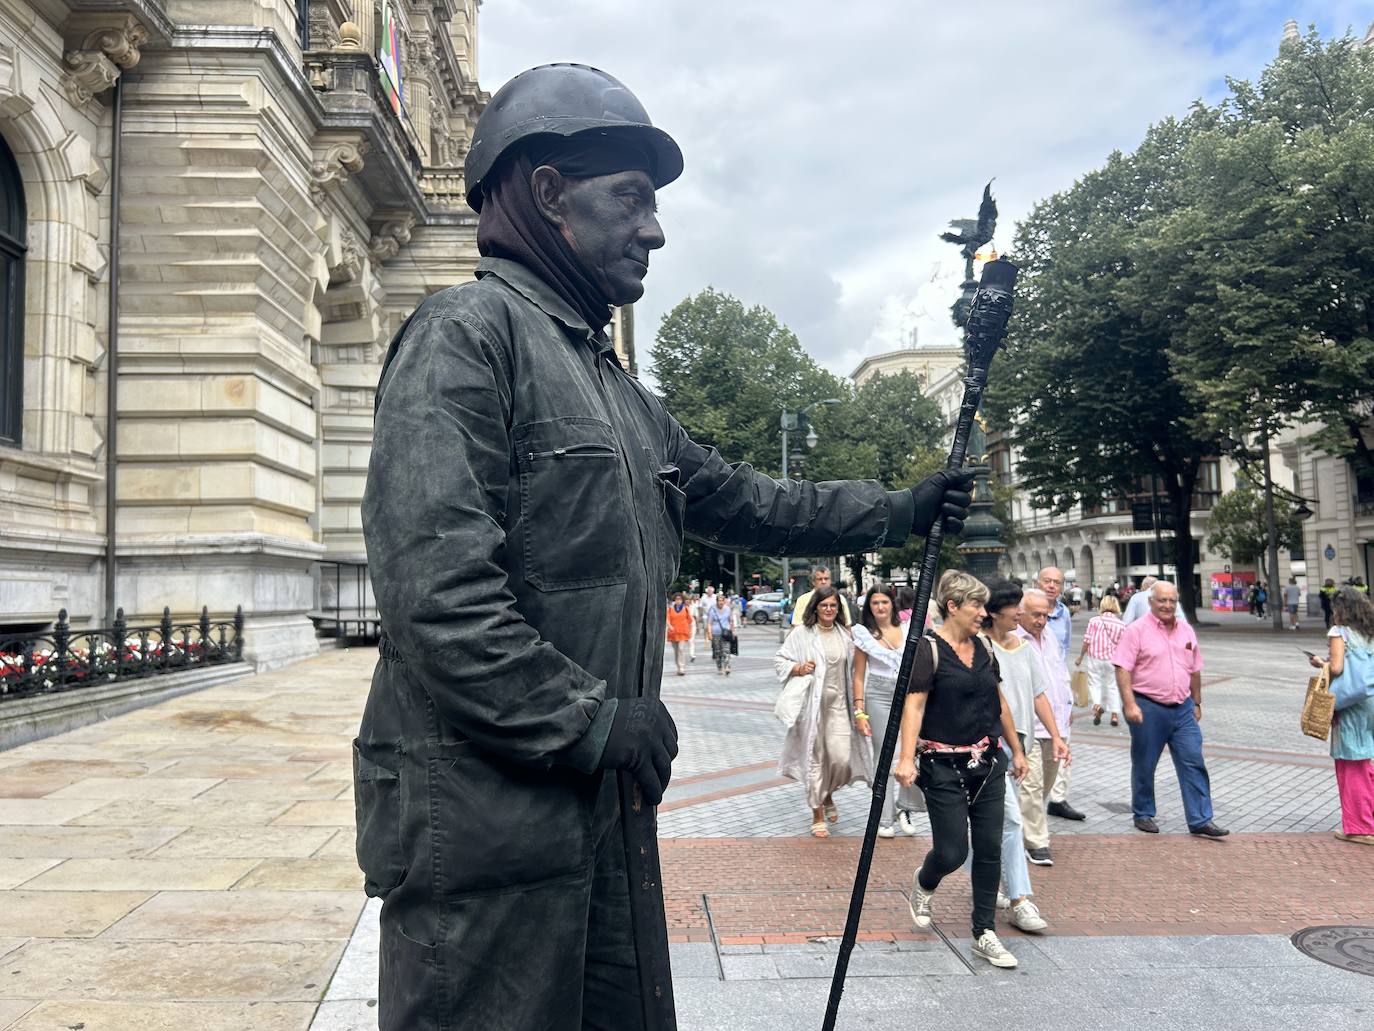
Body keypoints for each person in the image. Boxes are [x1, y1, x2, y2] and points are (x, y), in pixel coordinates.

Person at [357, 63, 976, 1031]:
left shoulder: (616, 388)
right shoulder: (464, 336)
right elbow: (437, 598)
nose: (655, 227)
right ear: (551, 194)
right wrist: (595, 720)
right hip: (486, 847)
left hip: (604, 823)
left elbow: (752, 501)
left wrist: (898, 509)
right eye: (633, 199)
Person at [894, 571, 1029, 969]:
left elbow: (999, 701)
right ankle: (925, 880)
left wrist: (1017, 750)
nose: (983, 613)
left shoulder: (985, 647)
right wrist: (905, 758)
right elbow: (914, 706)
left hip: (986, 762)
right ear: (952, 606)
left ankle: (983, 932)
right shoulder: (927, 649)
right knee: (953, 851)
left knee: (989, 849)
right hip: (942, 765)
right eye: (976, 605)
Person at [979, 579, 1070, 934]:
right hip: (994, 746)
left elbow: (1038, 696)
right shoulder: (981, 647)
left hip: (1022, 744)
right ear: (995, 611)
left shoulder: (1025, 648)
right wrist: (1014, 748)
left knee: (996, 822)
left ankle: (984, 880)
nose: (1020, 612)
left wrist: (1057, 736)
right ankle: (1019, 898)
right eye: (1015, 606)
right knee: (1013, 821)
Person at [1113, 581, 1228, 837]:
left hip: (1183, 708)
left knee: (1194, 761)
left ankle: (1200, 819)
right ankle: (1143, 813)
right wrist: (1129, 704)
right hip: (1148, 706)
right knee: (1145, 763)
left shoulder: (1186, 630)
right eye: (1162, 600)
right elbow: (1122, 667)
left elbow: (1195, 668)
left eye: (1172, 601)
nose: (1167, 606)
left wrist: (1197, 702)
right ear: (1151, 601)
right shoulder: (1136, 630)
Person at [775, 586, 871, 837]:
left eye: (833, 606)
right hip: (813, 708)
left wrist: (860, 707)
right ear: (815, 608)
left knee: (840, 759)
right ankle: (817, 814)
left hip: (840, 706)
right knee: (815, 760)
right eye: (824, 605)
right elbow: (780, 659)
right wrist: (798, 667)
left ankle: (827, 793)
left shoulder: (844, 635)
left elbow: (857, 671)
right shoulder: (803, 634)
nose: (829, 610)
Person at [1015, 588, 1080, 867]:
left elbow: (1059, 673)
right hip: (1029, 726)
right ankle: (1037, 842)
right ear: (1021, 613)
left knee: (1045, 785)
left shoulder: (1050, 637)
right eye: (1036, 615)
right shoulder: (1015, 641)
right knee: (1031, 785)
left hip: (1056, 725)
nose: (1041, 620)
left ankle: (1016, 826)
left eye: (1045, 615)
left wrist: (1068, 707)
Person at [850, 583, 920, 838]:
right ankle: (884, 814)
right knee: (883, 754)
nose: (880, 607)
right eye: (874, 603)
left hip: (908, 693)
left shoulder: (907, 628)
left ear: (893, 604)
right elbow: (858, 675)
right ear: (869, 607)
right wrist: (859, 711)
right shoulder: (864, 634)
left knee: (910, 750)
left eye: (884, 602)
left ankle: (906, 807)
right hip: (878, 693)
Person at [1308, 587, 1374, 844]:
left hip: (1349, 703)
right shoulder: (1368, 633)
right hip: (1370, 701)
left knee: (1350, 763)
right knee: (1365, 759)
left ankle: (1359, 826)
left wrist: (1319, 663)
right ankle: (1368, 817)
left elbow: (1336, 667)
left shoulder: (1340, 632)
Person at [1077, 595, 1126, 727]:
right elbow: (1123, 645)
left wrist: (1081, 656)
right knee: (1113, 685)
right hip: (1112, 659)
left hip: (1095, 657)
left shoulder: (1094, 621)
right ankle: (1114, 715)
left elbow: (1087, 640)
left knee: (1095, 684)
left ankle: (1097, 707)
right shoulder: (1121, 624)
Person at [792, 567, 857, 627]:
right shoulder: (803, 599)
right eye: (820, 579)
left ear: (830, 581)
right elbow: (796, 624)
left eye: (826, 579)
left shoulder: (840, 599)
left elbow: (847, 624)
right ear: (813, 582)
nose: (823, 582)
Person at [1038, 566, 1072, 655]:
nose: (1052, 586)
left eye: (1057, 583)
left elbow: (1065, 645)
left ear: (1061, 588)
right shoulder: (1025, 610)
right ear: (1037, 584)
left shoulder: (1064, 612)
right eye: (1047, 581)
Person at [706, 590, 739, 675]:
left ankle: (727, 666)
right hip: (715, 633)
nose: (720, 602)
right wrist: (709, 633)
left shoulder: (727, 609)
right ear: (716, 601)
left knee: (726, 650)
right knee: (717, 652)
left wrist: (733, 630)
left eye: (722, 601)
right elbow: (709, 623)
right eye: (719, 601)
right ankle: (720, 667)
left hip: (726, 633)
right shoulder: (712, 610)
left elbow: (731, 621)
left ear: (724, 601)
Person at [665, 591, 693, 676]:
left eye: (680, 599)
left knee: (681, 649)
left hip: (683, 632)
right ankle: (678, 667)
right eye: (677, 599)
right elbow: (667, 619)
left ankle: (682, 667)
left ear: (682, 600)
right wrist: (669, 626)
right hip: (673, 632)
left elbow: (690, 620)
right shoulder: (670, 608)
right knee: (676, 651)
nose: (678, 601)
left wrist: (690, 630)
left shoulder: (686, 608)